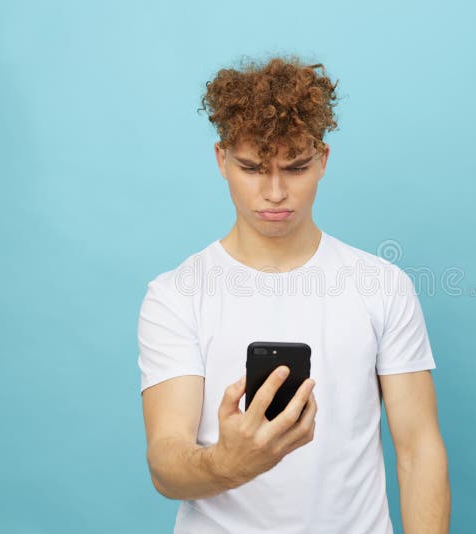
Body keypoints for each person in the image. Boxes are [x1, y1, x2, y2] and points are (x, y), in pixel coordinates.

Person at [137, 55, 451, 534]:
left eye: (296, 167)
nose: (275, 192)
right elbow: (165, 461)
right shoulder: (175, 296)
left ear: (323, 159)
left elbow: (419, 449)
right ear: (221, 160)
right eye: (252, 168)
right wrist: (228, 462)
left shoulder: (383, 285)